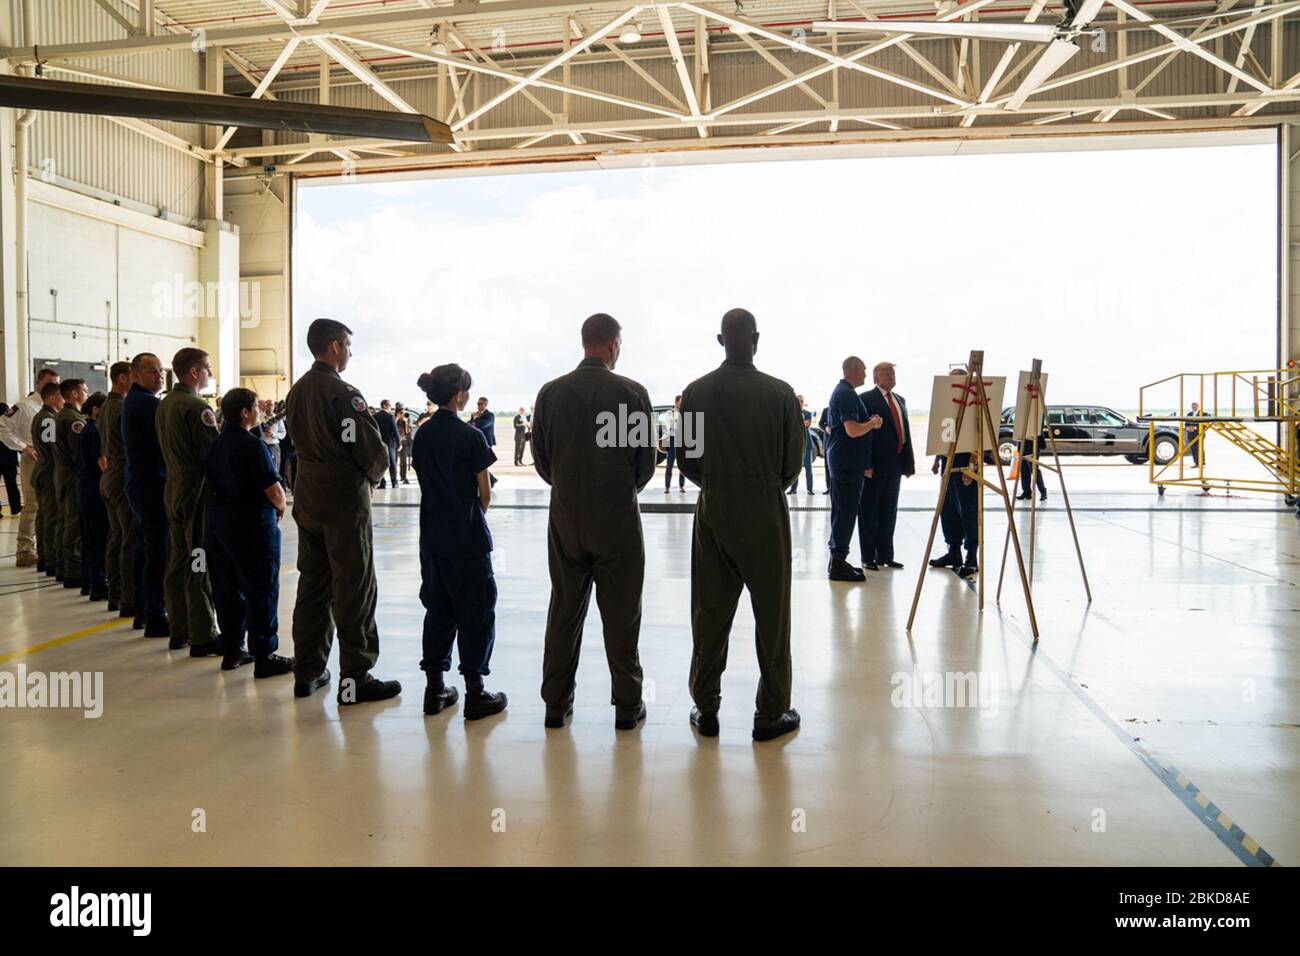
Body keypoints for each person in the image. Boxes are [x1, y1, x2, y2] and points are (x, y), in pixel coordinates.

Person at [678, 308, 805, 742]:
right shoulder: (781, 394)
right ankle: (770, 714)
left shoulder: (695, 393)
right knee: (773, 615)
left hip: (714, 508)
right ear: (756, 338)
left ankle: (706, 707)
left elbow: (686, 460)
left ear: (720, 340)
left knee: (709, 612)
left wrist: (717, 483)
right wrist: (765, 486)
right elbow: (792, 465)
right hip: (766, 510)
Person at [532, 313, 655, 731]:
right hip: (617, 518)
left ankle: (555, 704)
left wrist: (569, 486)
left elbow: (543, 462)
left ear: (585, 341)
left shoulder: (550, 394)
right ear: (613, 345)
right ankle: (626, 706)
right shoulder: (632, 394)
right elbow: (645, 465)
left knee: (564, 609)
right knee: (622, 613)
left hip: (566, 518)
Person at [285, 318, 400, 704]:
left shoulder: (297, 391)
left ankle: (308, 671)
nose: (350, 352)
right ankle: (355, 679)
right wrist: (374, 476)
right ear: (333, 346)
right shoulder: (342, 393)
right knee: (353, 585)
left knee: (313, 585)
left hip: (307, 494)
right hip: (341, 499)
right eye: (348, 345)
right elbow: (370, 449)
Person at [413, 364, 508, 720]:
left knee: (438, 610)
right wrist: (471, 516)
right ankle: (476, 693)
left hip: (432, 536)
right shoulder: (472, 437)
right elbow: (484, 493)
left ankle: (435, 690)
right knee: (476, 613)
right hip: (466, 537)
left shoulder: (423, 434)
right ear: (458, 395)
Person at [202, 388, 294, 678]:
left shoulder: (216, 444)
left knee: (226, 586)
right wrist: (279, 507)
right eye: (255, 406)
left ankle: (232, 649)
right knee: (261, 586)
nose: (259, 411)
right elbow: (274, 489)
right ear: (245, 412)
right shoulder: (252, 444)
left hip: (218, 521)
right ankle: (264, 654)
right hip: (250, 522)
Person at [156, 348, 222, 658]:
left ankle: (179, 628)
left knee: (178, 560)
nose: (210, 373)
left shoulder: (166, 404)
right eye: (207, 368)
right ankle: (202, 633)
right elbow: (213, 454)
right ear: (194, 372)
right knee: (198, 560)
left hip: (173, 488)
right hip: (196, 491)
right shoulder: (196, 408)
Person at [123, 353, 170, 637]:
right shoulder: (148, 404)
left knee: (144, 548)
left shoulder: (134, 401)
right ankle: (155, 613)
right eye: (152, 371)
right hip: (152, 484)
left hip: (140, 483)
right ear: (135, 375)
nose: (159, 375)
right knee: (157, 550)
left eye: (161, 370)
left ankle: (141, 608)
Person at [825, 357, 882, 582]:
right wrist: (872, 423)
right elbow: (851, 430)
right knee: (846, 513)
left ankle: (837, 559)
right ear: (855, 370)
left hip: (846, 463)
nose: (866, 375)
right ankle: (838, 562)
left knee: (843, 512)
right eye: (864, 371)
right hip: (846, 465)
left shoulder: (843, 392)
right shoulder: (847, 394)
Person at [859, 361, 915, 571]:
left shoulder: (900, 400)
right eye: (888, 374)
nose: (892, 378)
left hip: (895, 465)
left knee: (889, 511)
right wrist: (865, 464)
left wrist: (908, 463)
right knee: (869, 511)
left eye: (893, 374)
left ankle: (886, 555)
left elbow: (904, 432)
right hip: (874, 467)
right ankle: (868, 556)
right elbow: (863, 436)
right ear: (876, 379)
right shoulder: (866, 399)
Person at [1, 367, 59, 568]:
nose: (54, 387)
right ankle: (24, 550)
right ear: (38, 383)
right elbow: (2, 425)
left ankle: (44, 548)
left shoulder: (53, 407)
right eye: (50, 382)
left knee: (49, 506)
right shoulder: (24, 405)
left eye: (57, 383)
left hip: (50, 459)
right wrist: (23, 446)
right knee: (33, 505)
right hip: (32, 458)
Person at [98, 362, 136, 617]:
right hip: (121, 474)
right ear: (123, 378)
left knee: (116, 537)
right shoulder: (121, 407)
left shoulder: (105, 407)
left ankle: (115, 595)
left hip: (110, 474)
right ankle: (127, 598)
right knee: (129, 538)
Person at [54, 379, 89, 591]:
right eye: (83, 390)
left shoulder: (64, 416)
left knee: (67, 521)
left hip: (64, 474)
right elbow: (79, 452)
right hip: (72, 476)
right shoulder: (72, 419)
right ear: (74, 394)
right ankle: (73, 570)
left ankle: (64, 565)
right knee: (74, 523)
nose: (87, 393)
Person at [76, 392, 110, 602]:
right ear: (97, 410)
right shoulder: (95, 431)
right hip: (94, 488)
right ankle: (98, 584)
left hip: (85, 486)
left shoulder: (86, 429)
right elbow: (103, 465)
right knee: (98, 537)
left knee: (88, 537)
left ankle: (88, 581)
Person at [31, 381, 65, 580]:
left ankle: (45, 556)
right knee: (50, 516)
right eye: (61, 397)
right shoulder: (48, 419)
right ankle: (50, 558)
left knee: (44, 516)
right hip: (49, 470)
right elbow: (53, 448)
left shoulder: (41, 416)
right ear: (53, 398)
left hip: (42, 469)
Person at [787, 394, 815, 495]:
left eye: (801, 401)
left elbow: (807, 424)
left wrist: (797, 421)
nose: (800, 403)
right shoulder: (791, 413)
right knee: (795, 467)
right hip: (795, 444)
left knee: (809, 468)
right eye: (798, 401)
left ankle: (810, 489)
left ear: (804, 403)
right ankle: (793, 489)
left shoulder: (808, 413)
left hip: (807, 444)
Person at [0, 403, 22, 523]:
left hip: (7, 460)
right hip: (9, 461)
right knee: (12, 485)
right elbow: (15, 442)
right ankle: (16, 509)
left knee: (11, 485)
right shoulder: (9, 427)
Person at [661, 395, 686, 493]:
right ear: (676, 402)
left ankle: (681, 486)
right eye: (681, 402)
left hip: (681, 441)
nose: (682, 404)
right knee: (669, 465)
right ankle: (667, 487)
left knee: (682, 465)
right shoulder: (669, 413)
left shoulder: (684, 413)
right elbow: (670, 426)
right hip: (671, 441)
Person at [374, 399, 400, 489]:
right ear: (384, 405)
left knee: (381, 463)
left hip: (378, 443)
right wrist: (399, 443)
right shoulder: (390, 417)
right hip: (390, 443)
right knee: (392, 463)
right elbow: (395, 431)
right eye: (389, 405)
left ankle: (382, 483)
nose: (390, 407)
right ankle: (394, 482)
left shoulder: (374, 417)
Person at [395, 404, 412, 484]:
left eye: (403, 410)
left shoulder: (407, 418)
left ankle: (404, 477)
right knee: (394, 461)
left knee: (404, 461)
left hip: (404, 442)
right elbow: (392, 427)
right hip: (395, 442)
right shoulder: (394, 418)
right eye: (400, 410)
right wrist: (397, 418)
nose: (402, 412)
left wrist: (405, 422)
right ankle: (394, 478)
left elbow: (407, 432)